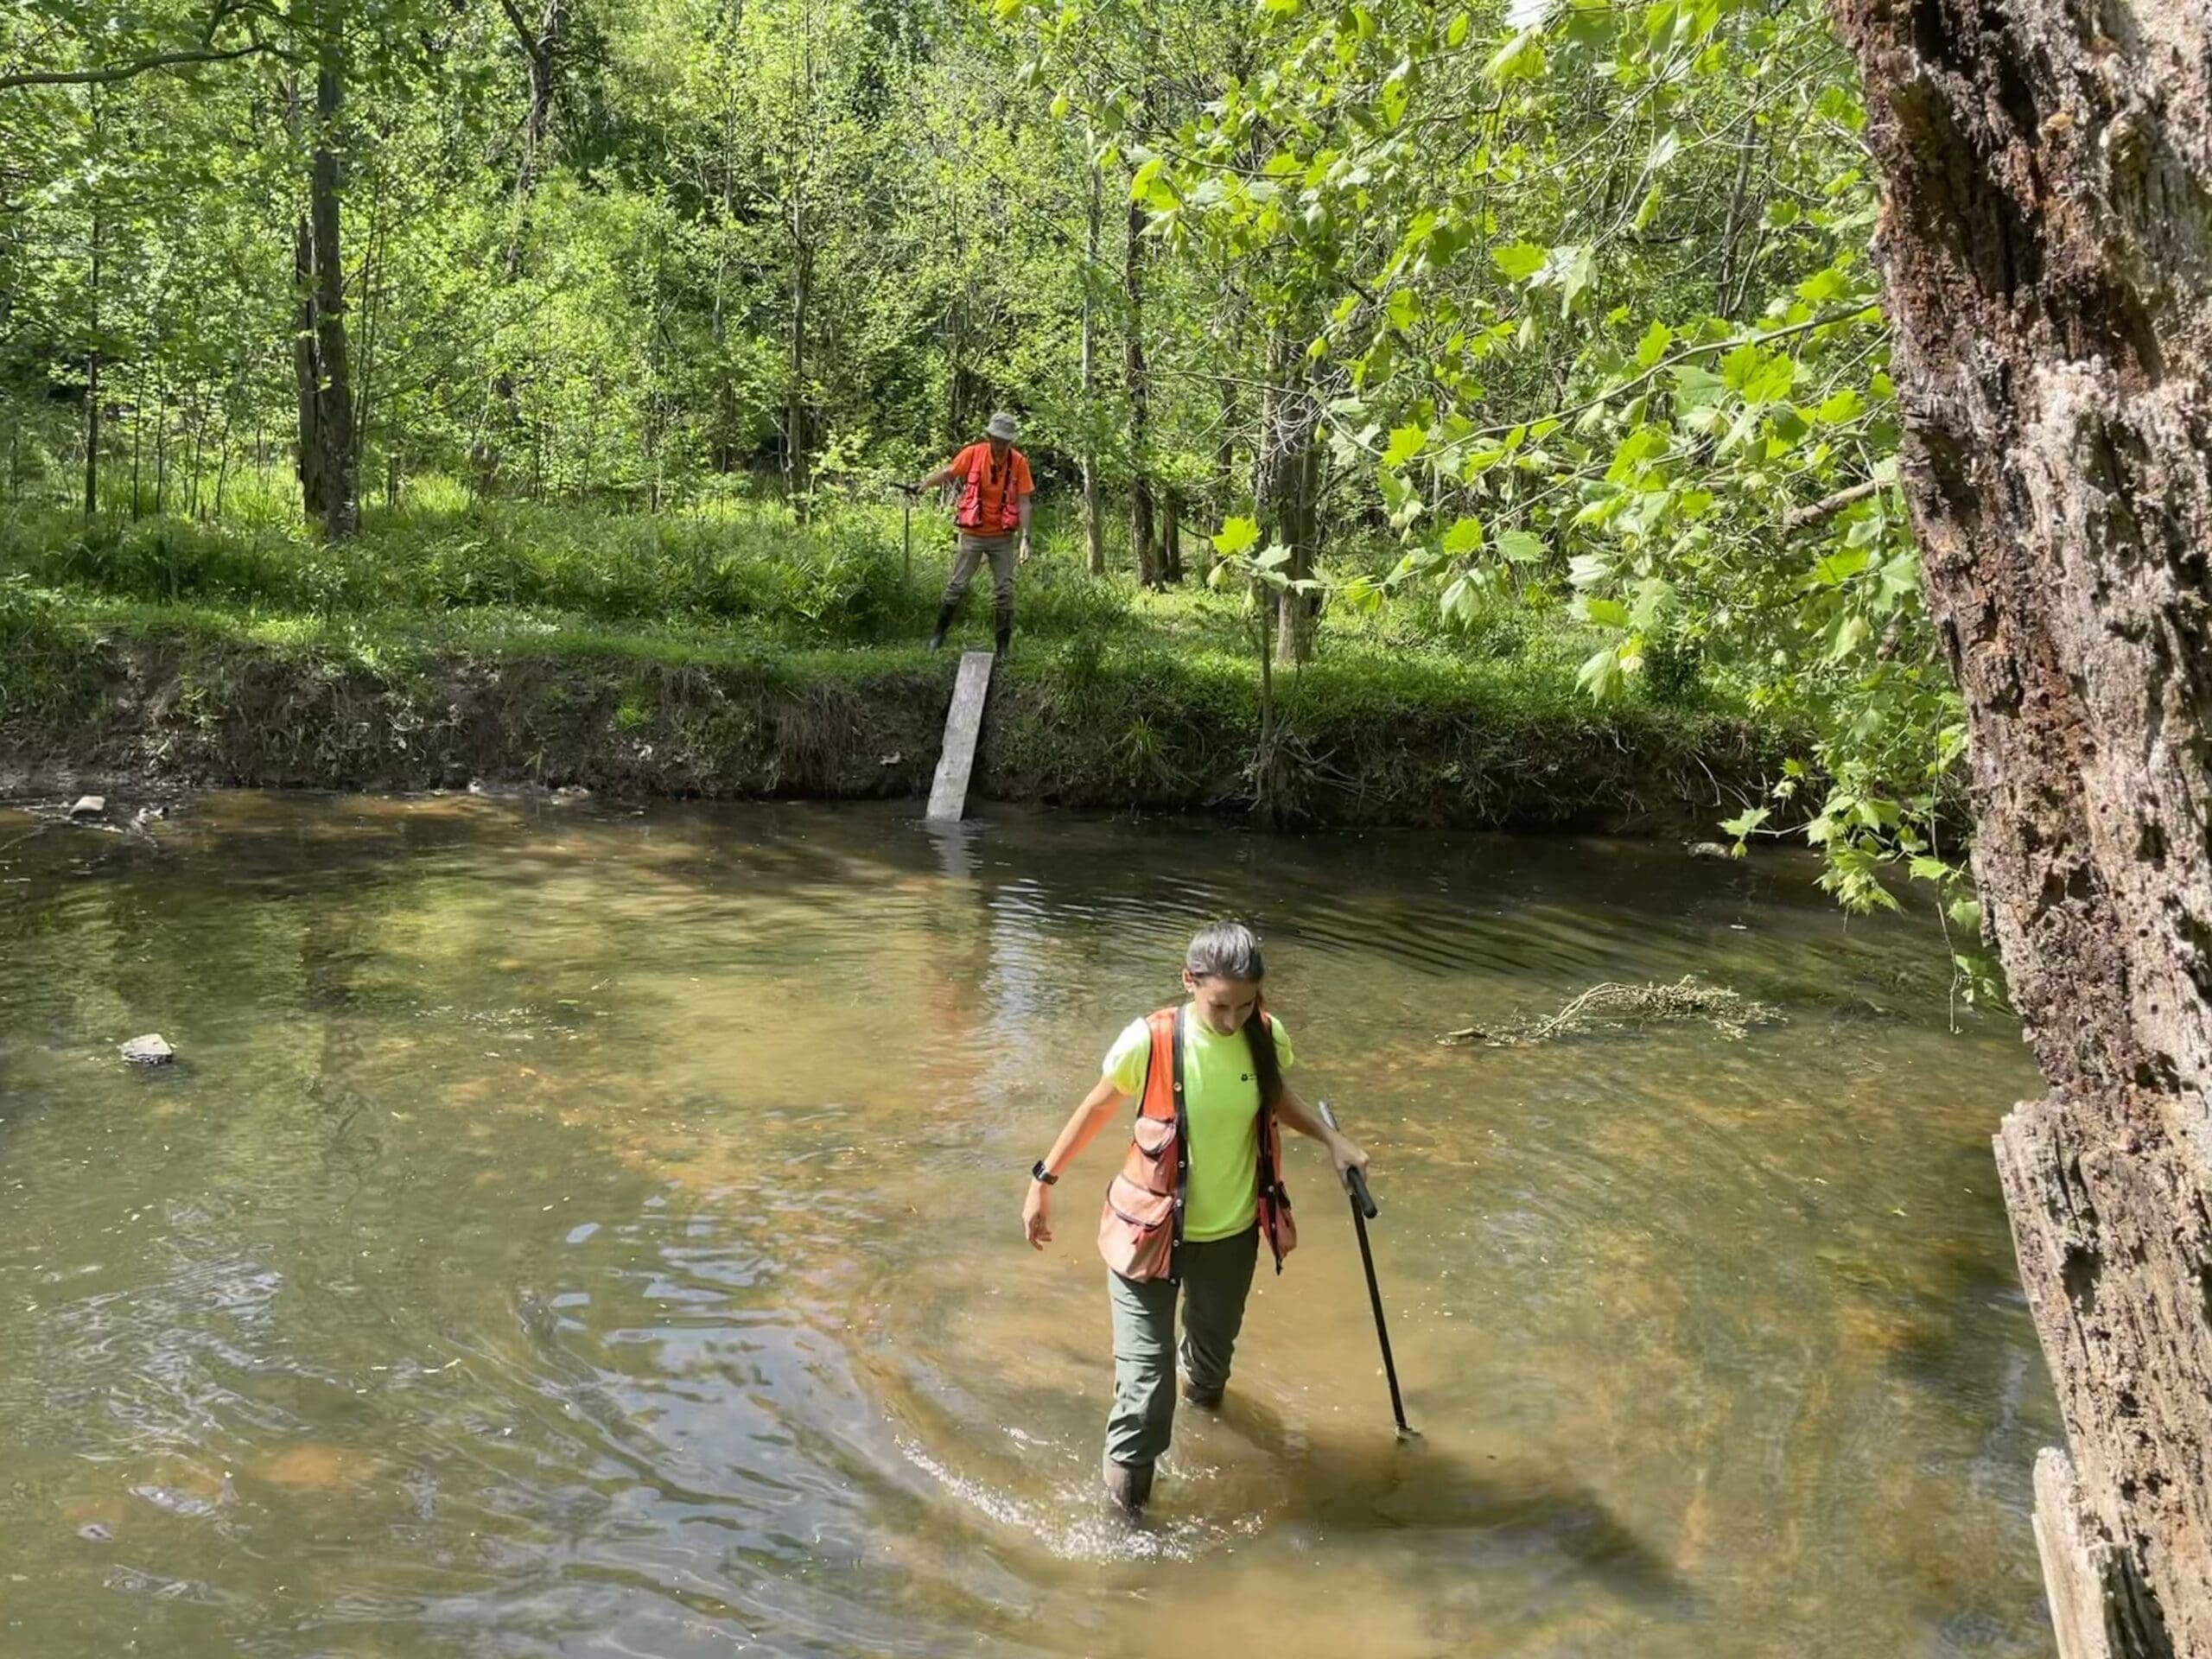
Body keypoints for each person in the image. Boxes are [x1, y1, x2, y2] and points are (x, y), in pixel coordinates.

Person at [1020, 922, 1370, 1515]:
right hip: (1145, 1237)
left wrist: (1332, 1141)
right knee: (1144, 1390)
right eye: (1219, 1005)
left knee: (1209, 1374)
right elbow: (1099, 1105)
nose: (1233, 1019)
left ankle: (1204, 1436)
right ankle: (1124, 1524)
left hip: (1231, 1237)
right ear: (1189, 982)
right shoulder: (1150, 1041)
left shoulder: (1265, 1035)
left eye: (1246, 1004)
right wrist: (1043, 1182)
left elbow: (1275, 1098)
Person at [912, 411, 1034, 656]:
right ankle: (937, 638)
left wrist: (1025, 540)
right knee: (956, 586)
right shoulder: (974, 453)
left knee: (1005, 592)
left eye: (1005, 441)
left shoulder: (1019, 462)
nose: (1000, 445)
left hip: (1002, 537)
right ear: (989, 437)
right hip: (972, 535)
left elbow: (1024, 502)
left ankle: (1002, 650)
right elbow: (949, 472)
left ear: (1011, 442)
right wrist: (923, 485)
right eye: (996, 439)